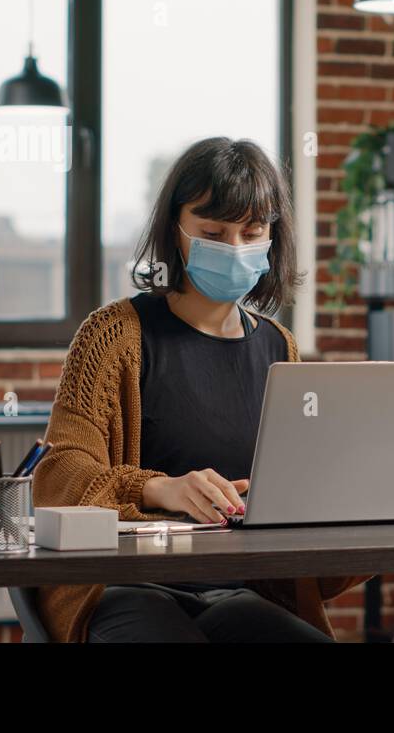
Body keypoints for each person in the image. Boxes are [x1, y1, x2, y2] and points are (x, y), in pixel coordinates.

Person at [33, 137, 365, 642]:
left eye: (251, 233)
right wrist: (159, 487)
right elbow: (59, 477)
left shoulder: (280, 347)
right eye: (212, 232)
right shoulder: (113, 335)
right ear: (176, 229)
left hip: (242, 592)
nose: (233, 249)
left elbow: (300, 514)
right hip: (127, 587)